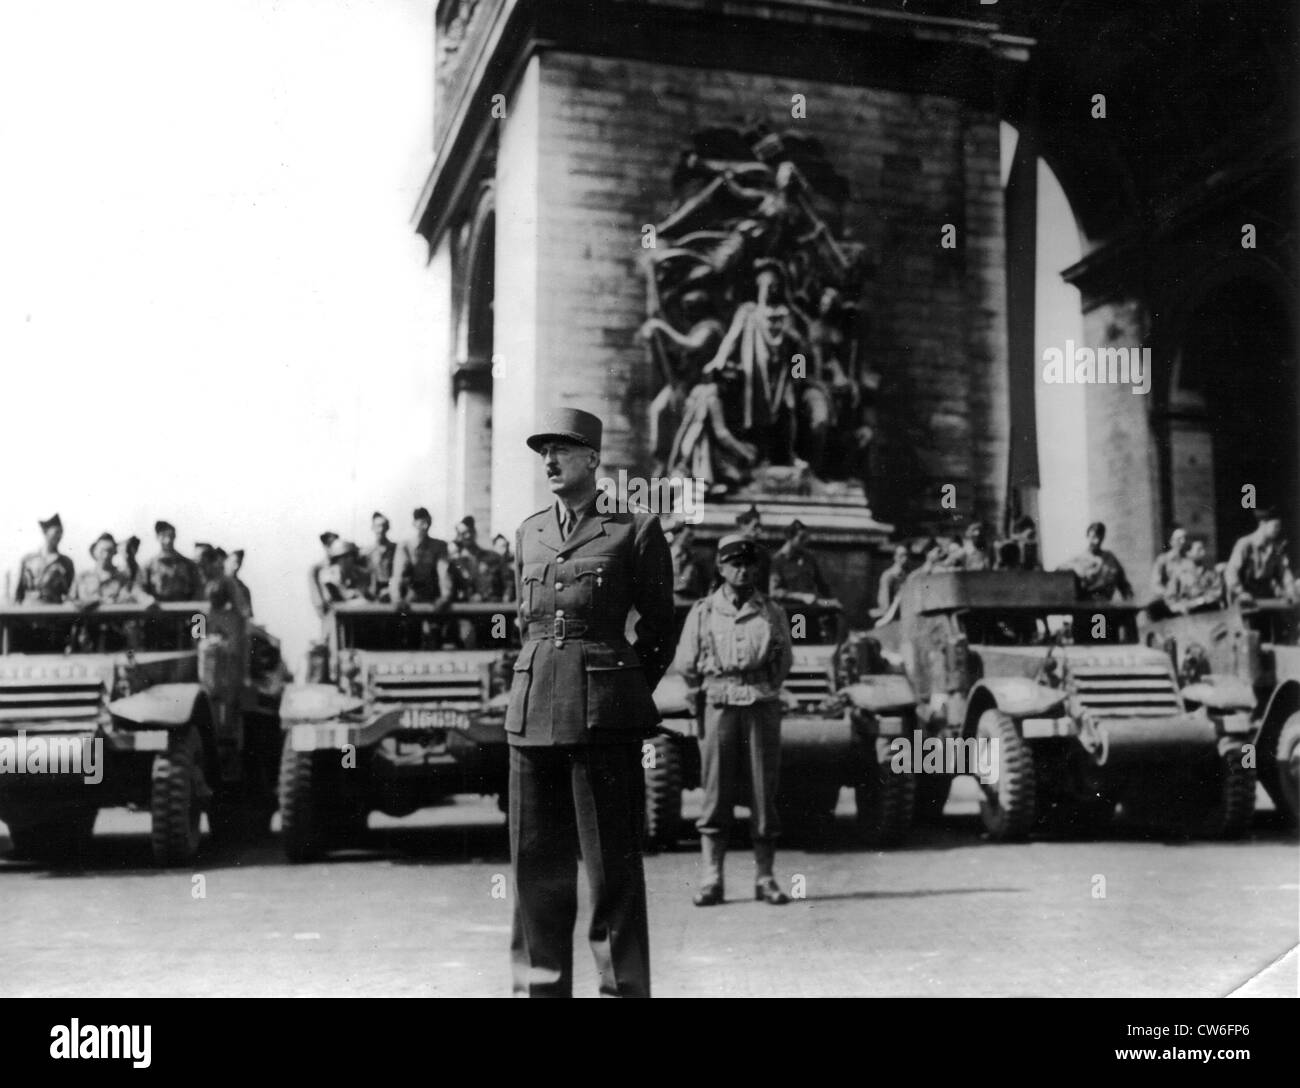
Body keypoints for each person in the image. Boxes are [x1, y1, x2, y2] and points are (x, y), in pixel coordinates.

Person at [506, 407, 675, 998]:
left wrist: (621, 688)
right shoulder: (529, 532)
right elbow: (524, 623)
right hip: (530, 716)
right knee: (535, 877)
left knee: (613, 877)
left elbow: (659, 630)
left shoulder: (635, 528)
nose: (548, 461)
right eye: (543, 452)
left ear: (593, 459)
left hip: (603, 719)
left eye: (562, 450)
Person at [675, 533, 794, 907]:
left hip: (760, 703)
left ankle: (765, 877)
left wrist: (762, 686)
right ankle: (712, 878)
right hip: (720, 703)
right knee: (715, 793)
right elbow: (687, 662)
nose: (743, 571)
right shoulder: (705, 611)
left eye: (749, 564)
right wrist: (707, 690)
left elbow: (782, 660)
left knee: (764, 792)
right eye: (734, 564)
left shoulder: (771, 611)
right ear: (722, 568)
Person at [1224, 507, 1297, 604]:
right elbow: (1231, 571)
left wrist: (1291, 591)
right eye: (1275, 526)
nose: (1278, 530)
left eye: (1279, 527)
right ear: (1263, 524)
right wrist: (1240, 592)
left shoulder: (1275, 549)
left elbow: (1284, 573)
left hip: (1266, 599)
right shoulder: (1245, 544)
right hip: (1245, 599)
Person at [390, 508, 455, 607]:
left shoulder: (439, 546)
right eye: (421, 522)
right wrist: (397, 599)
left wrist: (445, 597)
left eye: (427, 522)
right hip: (412, 595)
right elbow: (397, 574)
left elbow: (443, 572)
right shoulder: (405, 546)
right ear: (414, 523)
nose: (425, 526)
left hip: (434, 595)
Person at [1061, 521, 1133, 602]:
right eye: (1093, 537)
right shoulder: (1078, 560)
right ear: (1087, 536)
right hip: (1085, 608)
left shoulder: (1110, 559)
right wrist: (1075, 568)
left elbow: (1124, 585)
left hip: (1105, 607)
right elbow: (1059, 572)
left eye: (1100, 538)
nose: (1096, 542)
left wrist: (1130, 605)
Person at [74, 532, 152, 605]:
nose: (106, 555)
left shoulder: (123, 578)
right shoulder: (82, 577)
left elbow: (136, 594)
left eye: (109, 551)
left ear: (114, 552)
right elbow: (70, 601)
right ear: (95, 551)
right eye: (102, 551)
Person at [14, 513, 76, 604]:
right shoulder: (28, 559)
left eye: (61, 532)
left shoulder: (66, 562)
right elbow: (19, 592)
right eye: (56, 532)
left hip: (53, 609)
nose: (59, 536)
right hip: (29, 608)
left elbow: (70, 592)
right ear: (45, 532)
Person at [769, 519, 830, 602]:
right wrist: (800, 596)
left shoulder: (809, 559)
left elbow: (821, 585)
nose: (805, 542)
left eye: (806, 538)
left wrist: (830, 601)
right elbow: (773, 592)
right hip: (789, 609)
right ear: (790, 538)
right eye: (801, 538)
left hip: (811, 608)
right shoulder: (778, 561)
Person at [144, 520, 203, 602]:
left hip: (185, 610)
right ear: (157, 537)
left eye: (171, 536)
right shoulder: (149, 565)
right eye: (164, 536)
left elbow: (198, 589)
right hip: (158, 611)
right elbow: (141, 589)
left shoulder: (189, 564)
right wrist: (147, 599)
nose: (168, 540)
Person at [450, 515, 504, 601]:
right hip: (464, 608)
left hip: (489, 606)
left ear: (474, 532)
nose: (467, 536)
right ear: (458, 537)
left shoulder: (492, 557)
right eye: (463, 533)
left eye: (470, 531)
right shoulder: (455, 562)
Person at [1165, 538, 1224, 613]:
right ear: (1188, 553)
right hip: (1186, 616)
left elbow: (1217, 592)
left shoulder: (1210, 572)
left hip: (1208, 612)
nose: (1204, 552)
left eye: (1203, 549)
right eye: (1199, 549)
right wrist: (1182, 605)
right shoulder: (1179, 574)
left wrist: (1203, 600)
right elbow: (1170, 598)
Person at [667, 522, 708, 601]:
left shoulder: (693, 557)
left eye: (692, 536)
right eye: (688, 536)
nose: (691, 539)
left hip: (688, 598)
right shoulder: (667, 555)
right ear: (677, 535)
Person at [321, 539, 370, 604]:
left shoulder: (362, 573)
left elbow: (364, 594)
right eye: (343, 557)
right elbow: (331, 601)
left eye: (350, 556)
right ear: (336, 559)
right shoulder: (329, 577)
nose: (347, 560)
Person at [363, 512, 397, 602]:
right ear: (372, 528)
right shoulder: (367, 552)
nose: (381, 530)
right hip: (373, 592)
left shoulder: (396, 549)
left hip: (393, 590)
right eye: (377, 526)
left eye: (384, 526)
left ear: (388, 528)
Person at [1150, 526, 1189, 598]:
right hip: (1169, 602)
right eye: (1179, 539)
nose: (1183, 541)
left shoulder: (1188, 561)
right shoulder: (1163, 560)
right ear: (1171, 541)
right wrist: (1166, 593)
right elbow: (1155, 585)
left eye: (1185, 538)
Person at [309, 531, 339, 617]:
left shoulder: (342, 565)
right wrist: (322, 609)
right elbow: (315, 593)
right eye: (329, 544)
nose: (332, 547)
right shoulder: (317, 569)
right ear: (324, 546)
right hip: (329, 611)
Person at [876, 544, 910, 614]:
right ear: (895, 557)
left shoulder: (907, 575)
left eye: (906, 555)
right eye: (901, 555)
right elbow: (884, 604)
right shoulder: (887, 575)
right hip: (890, 613)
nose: (904, 558)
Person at [225, 549, 254, 618]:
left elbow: (247, 614)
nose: (236, 567)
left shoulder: (242, 588)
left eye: (238, 563)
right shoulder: (216, 583)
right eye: (232, 562)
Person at [492, 534, 517, 602]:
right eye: (502, 547)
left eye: (506, 546)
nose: (505, 550)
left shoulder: (510, 567)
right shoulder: (489, 566)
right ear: (494, 547)